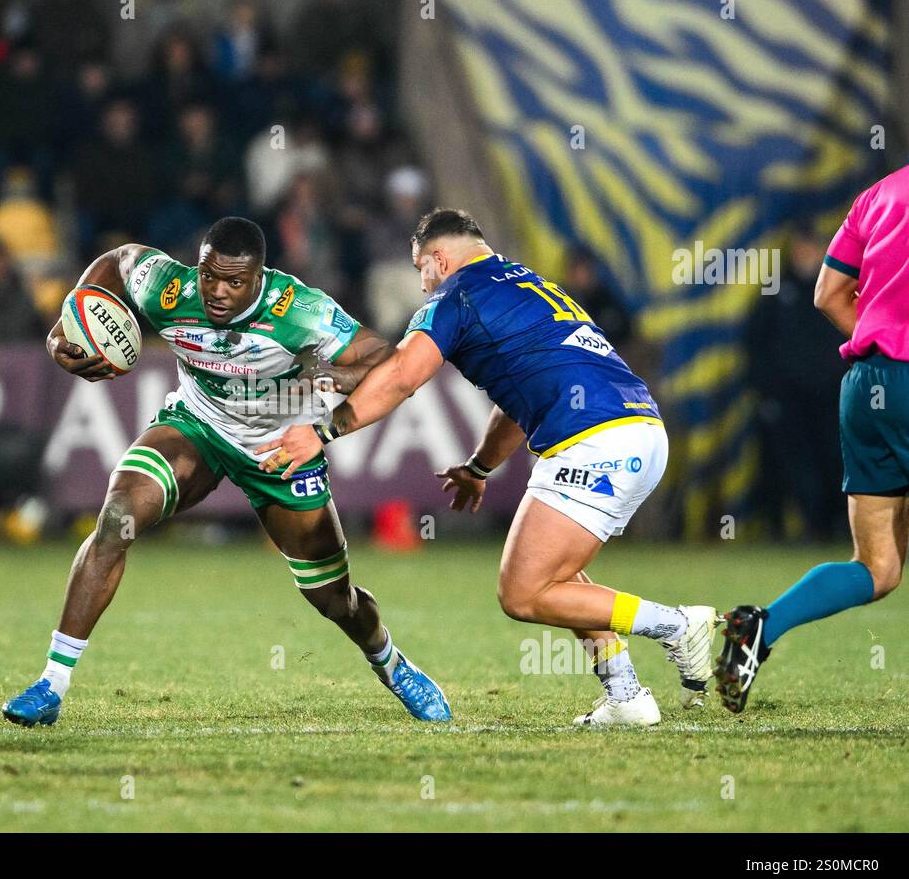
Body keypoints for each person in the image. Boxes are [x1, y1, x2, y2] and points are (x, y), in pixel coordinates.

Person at [256, 207, 720, 726]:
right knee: (558, 574)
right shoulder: (526, 283)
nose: (422, 282)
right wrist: (478, 468)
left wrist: (324, 431)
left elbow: (404, 375)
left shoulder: (457, 296)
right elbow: (515, 404)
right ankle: (627, 696)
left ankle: (676, 624)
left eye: (420, 270)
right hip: (631, 431)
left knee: (523, 593)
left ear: (438, 258)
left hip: (597, 440)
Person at [1, 216, 451, 726]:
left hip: (278, 448)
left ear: (259, 277)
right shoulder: (170, 288)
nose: (216, 292)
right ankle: (52, 684)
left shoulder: (301, 311)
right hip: (198, 425)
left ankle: (391, 663)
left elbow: (387, 362)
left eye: (234, 282)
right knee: (116, 517)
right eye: (208, 276)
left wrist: (325, 376)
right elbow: (119, 259)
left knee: (333, 599)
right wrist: (68, 323)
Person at [716, 67, 909, 712]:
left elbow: (828, 293)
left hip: (865, 388)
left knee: (879, 567)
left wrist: (885, 338)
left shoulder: (879, 196)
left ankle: (761, 627)